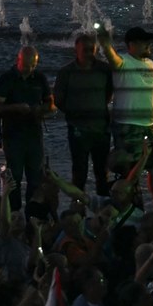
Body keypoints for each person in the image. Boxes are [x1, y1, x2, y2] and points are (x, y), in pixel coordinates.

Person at [99, 26, 153, 212]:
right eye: (145, 42)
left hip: (151, 127)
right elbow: (113, 59)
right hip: (129, 128)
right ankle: (132, 211)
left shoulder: (150, 64)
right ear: (132, 45)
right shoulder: (124, 63)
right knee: (130, 174)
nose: (148, 45)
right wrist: (105, 44)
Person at [0, 45, 54, 215]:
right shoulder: (7, 79)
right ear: (18, 60)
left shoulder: (39, 78)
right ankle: (14, 212)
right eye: (26, 65)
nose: (29, 69)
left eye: (33, 65)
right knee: (15, 175)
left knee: (35, 176)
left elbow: (51, 104)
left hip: (34, 132)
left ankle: (33, 214)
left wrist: (41, 110)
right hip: (13, 134)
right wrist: (16, 108)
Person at [53, 31, 113, 194]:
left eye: (91, 49)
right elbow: (58, 99)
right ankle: (78, 210)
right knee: (79, 173)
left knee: (102, 172)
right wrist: (74, 111)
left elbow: (109, 93)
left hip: (101, 130)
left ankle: (102, 208)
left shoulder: (104, 69)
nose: (88, 53)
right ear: (76, 50)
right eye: (84, 49)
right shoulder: (66, 72)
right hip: (78, 129)